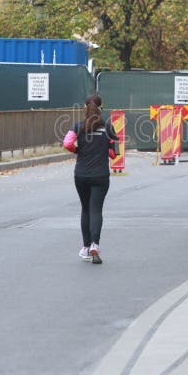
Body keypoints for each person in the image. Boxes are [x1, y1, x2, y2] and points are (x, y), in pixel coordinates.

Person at [64, 95, 119, 264]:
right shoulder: (108, 127)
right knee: (96, 209)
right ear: (101, 108)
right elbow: (113, 153)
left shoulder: (78, 126)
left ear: (85, 108)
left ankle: (86, 247)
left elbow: (67, 143)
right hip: (100, 175)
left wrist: (77, 151)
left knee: (85, 209)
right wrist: (103, 150)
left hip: (81, 175)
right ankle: (95, 244)